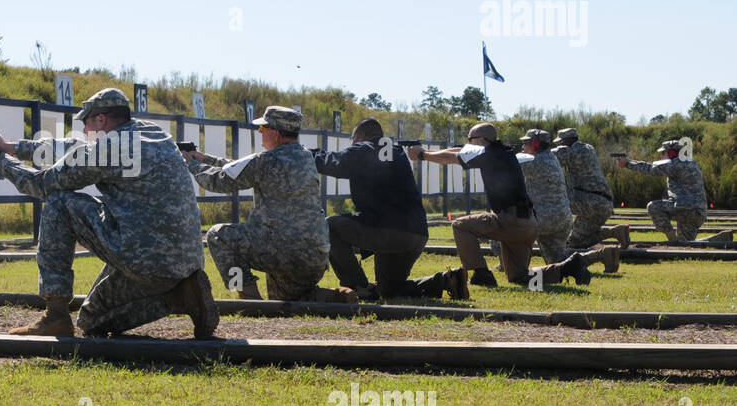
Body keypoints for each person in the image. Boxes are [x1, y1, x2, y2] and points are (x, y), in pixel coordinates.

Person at [0, 87, 218, 338]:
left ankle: (55, 313)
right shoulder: (154, 132)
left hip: (144, 258)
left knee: (59, 202)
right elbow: (73, 147)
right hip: (184, 261)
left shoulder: (110, 148)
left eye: (87, 124)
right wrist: (13, 147)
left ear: (101, 120)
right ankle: (181, 295)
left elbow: (41, 184)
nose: (85, 131)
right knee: (92, 319)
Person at [184, 105, 349, 302]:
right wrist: (205, 158)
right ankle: (337, 298)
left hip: (282, 250)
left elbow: (216, 182)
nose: (259, 132)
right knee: (285, 297)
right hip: (315, 255)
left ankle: (249, 298)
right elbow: (243, 167)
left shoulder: (266, 160)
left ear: (276, 133)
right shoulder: (305, 157)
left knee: (217, 235)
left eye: (263, 128)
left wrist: (191, 164)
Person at [411, 122, 590, 288]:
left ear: (481, 140)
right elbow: (461, 150)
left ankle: (481, 274)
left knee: (460, 226)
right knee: (519, 277)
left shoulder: (489, 155)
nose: (468, 144)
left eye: (470, 140)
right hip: (528, 223)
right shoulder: (501, 152)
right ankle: (568, 268)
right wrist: (426, 150)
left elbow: (453, 158)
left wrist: (422, 155)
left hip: (511, 221)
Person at [313, 117, 469, 301]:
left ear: (361, 136)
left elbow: (333, 162)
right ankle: (446, 280)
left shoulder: (365, 149)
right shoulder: (395, 151)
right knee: (389, 291)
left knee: (330, 226)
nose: (352, 145)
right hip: (415, 233)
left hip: (388, 231)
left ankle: (358, 286)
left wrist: (307, 153)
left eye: (353, 141)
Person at [515, 129, 618, 273]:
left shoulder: (536, 161)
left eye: (525, 143)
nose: (523, 147)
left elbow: (510, 166)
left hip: (546, 217)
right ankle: (599, 255)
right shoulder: (551, 158)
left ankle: (510, 268)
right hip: (562, 217)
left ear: (535, 144)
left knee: (503, 230)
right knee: (559, 261)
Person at [552, 127, 630, 249]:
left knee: (553, 196)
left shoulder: (572, 151)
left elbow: (548, 159)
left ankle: (547, 231)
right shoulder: (588, 148)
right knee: (575, 243)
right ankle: (615, 232)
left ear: (565, 142)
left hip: (590, 202)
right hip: (601, 204)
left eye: (560, 143)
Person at [618, 139, 709, 241]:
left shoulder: (676, 164)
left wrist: (627, 164)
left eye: (663, 153)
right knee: (685, 244)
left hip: (685, 209)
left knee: (653, 207)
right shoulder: (689, 163)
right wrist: (629, 161)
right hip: (696, 213)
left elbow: (651, 169)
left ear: (672, 153)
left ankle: (672, 238)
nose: (661, 156)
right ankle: (708, 242)